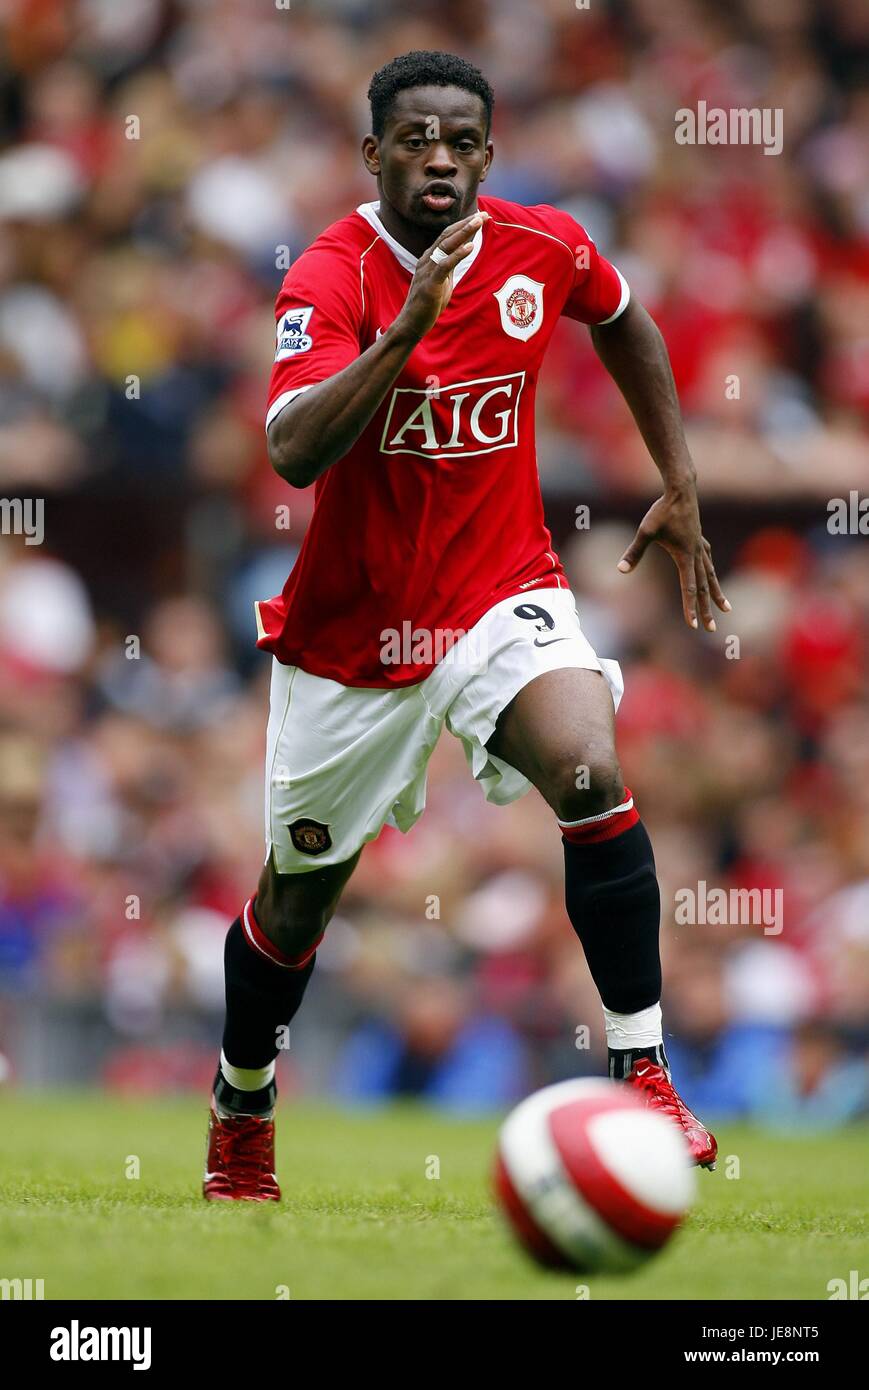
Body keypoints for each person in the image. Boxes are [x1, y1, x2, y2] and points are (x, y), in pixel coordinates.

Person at [203, 50, 729, 1201]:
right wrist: (407, 332)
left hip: (501, 592)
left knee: (590, 767)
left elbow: (626, 318)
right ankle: (243, 1099)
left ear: (486, 154)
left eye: (460, 140)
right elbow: (291, 450)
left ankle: (640, 1068)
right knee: (296, 907)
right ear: (372, 152)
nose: (437, 156)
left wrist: (677, 481)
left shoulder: (540, 242)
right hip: (353, 643)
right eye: (413, 138)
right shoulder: (332, 274)